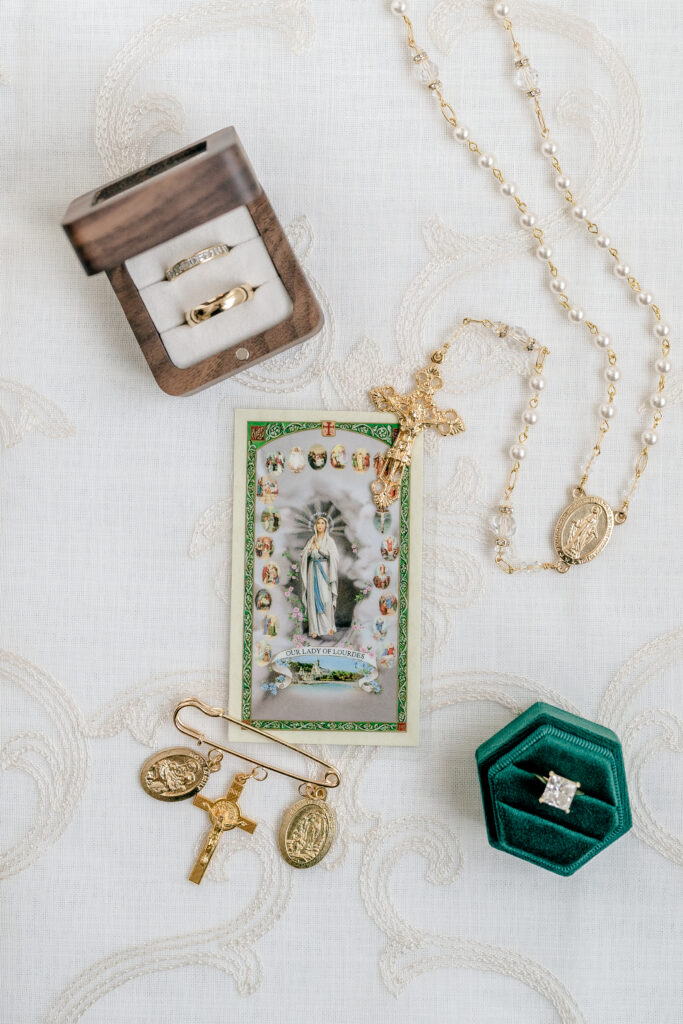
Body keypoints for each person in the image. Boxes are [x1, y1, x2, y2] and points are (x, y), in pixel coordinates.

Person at [300, 516, 339, 638]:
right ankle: (314, 629)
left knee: (325, 598)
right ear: (315, 526)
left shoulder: (329, 541)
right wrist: (309, 551)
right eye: (318, 523)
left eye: (322, 523)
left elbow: (334, 556)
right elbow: (303, 553)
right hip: (313, 569)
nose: (320, 525)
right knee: (313, 597)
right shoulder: (312, 539)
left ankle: (329, 626)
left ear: (326, 526)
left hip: (324, 570)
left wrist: (319, 549)